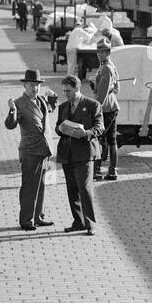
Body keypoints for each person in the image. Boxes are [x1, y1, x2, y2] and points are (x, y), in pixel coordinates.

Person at [3, 69, 59, 230]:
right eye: (31, 85)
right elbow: (10, 125)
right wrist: (12, 110)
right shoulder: (19, 103)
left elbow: (49, 110)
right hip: (31, 151)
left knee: (41, 186)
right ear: (25, 86)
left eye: (37, 85)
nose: (35, 89)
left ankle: (38, 216)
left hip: (45, 150)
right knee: (29, 187)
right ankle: (26, 220)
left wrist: (53, 98)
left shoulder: (41, 100)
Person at [56, 73, 105, 234]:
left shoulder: (92, 105)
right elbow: (58, 126)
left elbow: (100, 127)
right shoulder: (63, 107)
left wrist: (87, 133)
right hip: (67, 153)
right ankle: (78, 221)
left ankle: (90, 224)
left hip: (84, 152)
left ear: (77, 89)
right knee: (72, 188)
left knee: (84, 187)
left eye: (68, 91)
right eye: (64, 91)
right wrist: (60, 129)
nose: (66, 94)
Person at [90, 39, 120, 181]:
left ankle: (98, 171)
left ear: (108, 52)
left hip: (105, 109)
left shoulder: (106, 68)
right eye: (98, 51)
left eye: (102, 51)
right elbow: (117, 88)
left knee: (99, 139)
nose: (99, 54)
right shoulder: (109, 66)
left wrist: (96, 108)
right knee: (110, 140)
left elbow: (101, 93)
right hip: (111, 107)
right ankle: (111, 171)